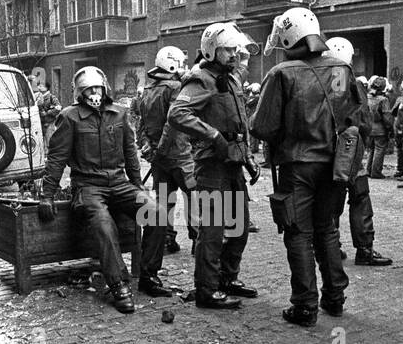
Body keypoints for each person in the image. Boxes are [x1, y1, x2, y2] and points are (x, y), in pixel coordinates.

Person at [252, 9, 366, 325]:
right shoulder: (341, 68)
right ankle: (335, 298)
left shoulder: (282, 73)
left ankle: (304, 305)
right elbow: (350, 116)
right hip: (334, 165)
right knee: (327, 229)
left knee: (298, 233)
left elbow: (262, 126)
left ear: (289, 38)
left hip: (297, 165)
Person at [38, 67, 157, 314]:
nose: (95, 93)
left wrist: (138, 186)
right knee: (103, 224)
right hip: (88, 186)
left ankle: (148, 274)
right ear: (80, 93)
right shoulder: (69, 117)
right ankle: (119, 285)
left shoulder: (120, 114)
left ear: (105, 89)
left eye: (98, 88)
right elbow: (57, 159)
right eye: (89, 89)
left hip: (119, 183)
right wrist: (47, 195)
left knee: (155, 213)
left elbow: (130, 154)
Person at [167, 23, 260, 310]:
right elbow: (177, 114)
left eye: (235, 49)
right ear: (211, 50)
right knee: (213, 230)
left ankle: (227, 279)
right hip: (211, 166)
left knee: (240, 227)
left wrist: (248, 156)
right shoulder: (201, 79)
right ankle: (207, 290)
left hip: (233, 163)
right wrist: (212, 135)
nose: (234, 55)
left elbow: (240, 122)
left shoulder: (230, 79)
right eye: (228, 50)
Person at [325, 37, 391, 267]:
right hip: (347, 149)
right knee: (359, 197)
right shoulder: (339, 74)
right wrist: (359, 133)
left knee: (335, 199)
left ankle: (333, 245)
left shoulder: (328, 74)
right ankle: (361, 249)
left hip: (340, 148)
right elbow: (341, 111)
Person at [137, 45, 194, 288]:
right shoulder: (175, 88)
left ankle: (156, 258)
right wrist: (160, 148)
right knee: (199, 197)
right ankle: (199, 240)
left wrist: (148, 148)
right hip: (179, 156)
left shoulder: (148, 89)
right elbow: (174, 123)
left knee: (162, 207)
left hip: (160, 160)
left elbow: (140, 124)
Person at [366, 76, 395, 179]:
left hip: (368, 128)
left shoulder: (366, 97)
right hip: (380, 130)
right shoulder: (383, 100)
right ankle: (376, 172)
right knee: (379, 150)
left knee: (371, 150)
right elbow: (387, 118)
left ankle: (368, 171)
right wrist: (391, 129)